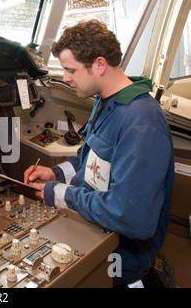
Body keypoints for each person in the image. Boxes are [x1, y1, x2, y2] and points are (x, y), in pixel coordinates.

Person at [24, 20, 174, 288]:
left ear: (100, 65)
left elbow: (132, 218)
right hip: (92, 229)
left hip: (119, 259)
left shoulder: (141, 123)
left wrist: (59, 193)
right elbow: (88, 158)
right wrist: (56, 173)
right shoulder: (106, 101)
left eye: (71, 70)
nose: (65, 78)